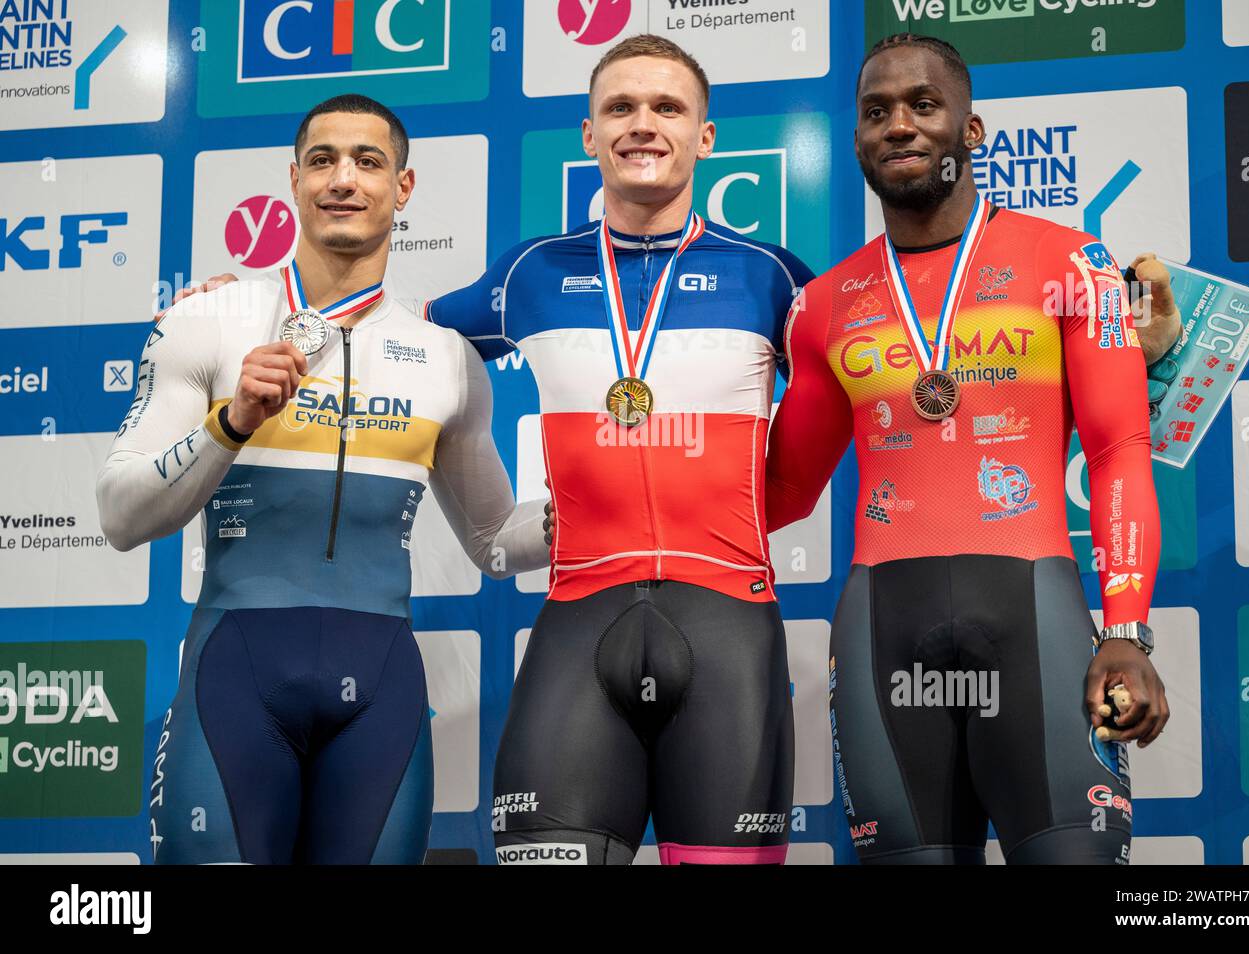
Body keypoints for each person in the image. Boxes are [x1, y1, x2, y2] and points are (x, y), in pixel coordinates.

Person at [159, 36, 809, 866]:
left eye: (667, 108)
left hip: (728, 617)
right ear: (588, 134)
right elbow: (385, 330)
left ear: (706, 136)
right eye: (620, 108)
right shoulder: (532, 273)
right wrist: (238, 313)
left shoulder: (776, 278)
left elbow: (860, 373)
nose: (642, 126)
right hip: (583, 609)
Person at [97, 94, 549, 865]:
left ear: (402, 188)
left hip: (380, 695)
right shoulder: (209, 320)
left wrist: (607, 507)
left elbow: (492, 542)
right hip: (234, 677)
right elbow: (119, 516)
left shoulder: (446, 357)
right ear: (294, 181)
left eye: (368, 161)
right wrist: (230, 421)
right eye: (322, 160)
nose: (344, 178)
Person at [765, 34, 1170, 865]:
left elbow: (1119, 448)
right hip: (884, 629)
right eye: (877, 112)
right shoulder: (822, 306)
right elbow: (782, 492)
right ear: (855, 141)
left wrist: (1126, 630)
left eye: (923, 104)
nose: (900, 126)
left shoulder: (1070, 265)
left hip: (1037, 622)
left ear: (972, 130)